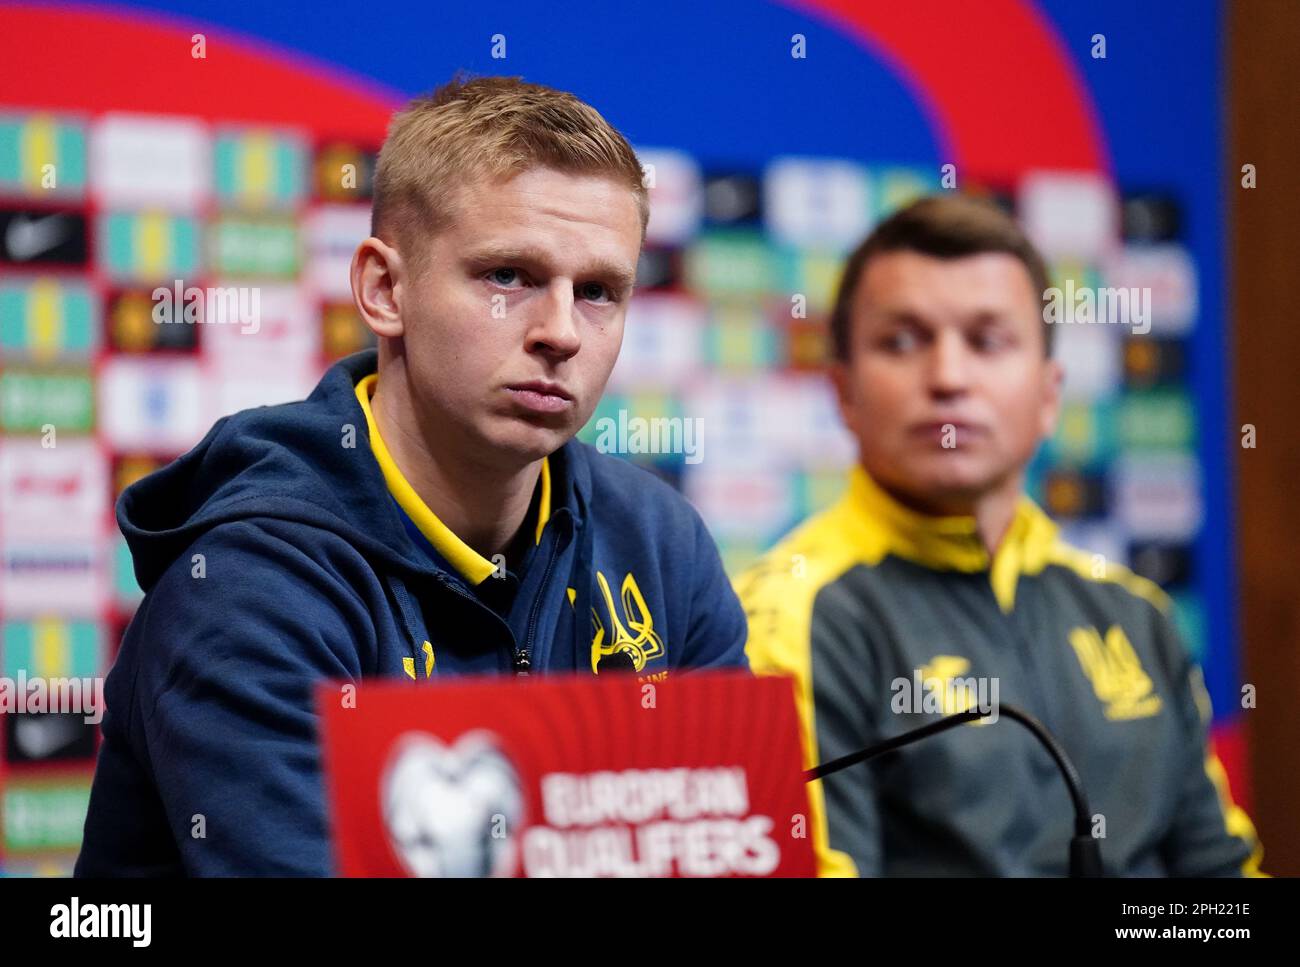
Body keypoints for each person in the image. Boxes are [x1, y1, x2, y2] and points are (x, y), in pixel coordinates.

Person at [76, 76, 748, 876]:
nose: (562, 331)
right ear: (384, 289)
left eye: (598, 291)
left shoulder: (661, 546)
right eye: (508, 276)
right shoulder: (246, 586)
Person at [735, 194, 1263, 876]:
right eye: (902, 341)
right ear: (843, 392)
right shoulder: (789, 616)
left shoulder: (1135, 613)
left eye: (987, 341)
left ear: (1048, 394)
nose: (948, 378)